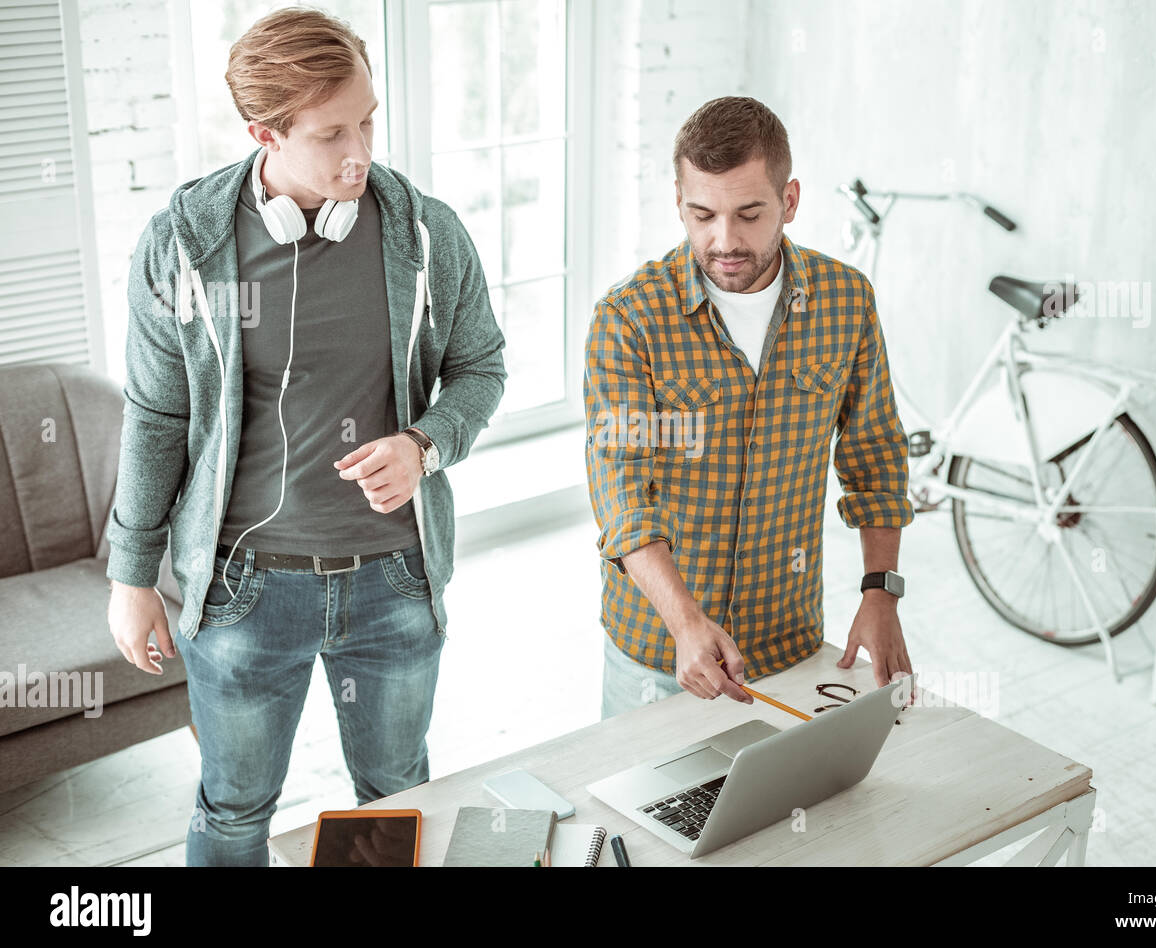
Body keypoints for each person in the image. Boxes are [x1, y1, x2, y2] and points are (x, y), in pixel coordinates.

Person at [104, 7, 505, 865]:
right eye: (332, 135)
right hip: (244, 590)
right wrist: (132, 575)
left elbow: (483, 368)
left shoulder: (424, 233)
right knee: (235, 811)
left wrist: (425, 443)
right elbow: (157, 415)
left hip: (396, 582)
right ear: (264, 133)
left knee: (395, 799)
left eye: (368, 121)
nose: (361, 151)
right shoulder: (184, 246)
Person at [584, 96, 914, 719]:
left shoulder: (847, 302)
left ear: (790, 201)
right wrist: (685, 623)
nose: (724, 240)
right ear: (677, 201)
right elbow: (622, 492)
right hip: (659, 655)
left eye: (749, 213)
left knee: (789, 810)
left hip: (788, 644)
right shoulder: (628, 320)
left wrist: (881, 593)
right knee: (636, 814)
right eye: (701, 214)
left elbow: (875, 457)